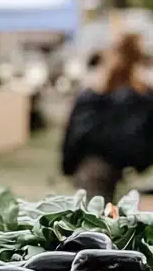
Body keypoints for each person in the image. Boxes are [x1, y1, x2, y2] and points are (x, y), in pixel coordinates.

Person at [61, 33, 153, 200]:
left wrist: (69, 163)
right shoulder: (141, 94)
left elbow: (77, 131)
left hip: (98, 165)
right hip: (119, 165)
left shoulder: (96, 91)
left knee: (96, 211)